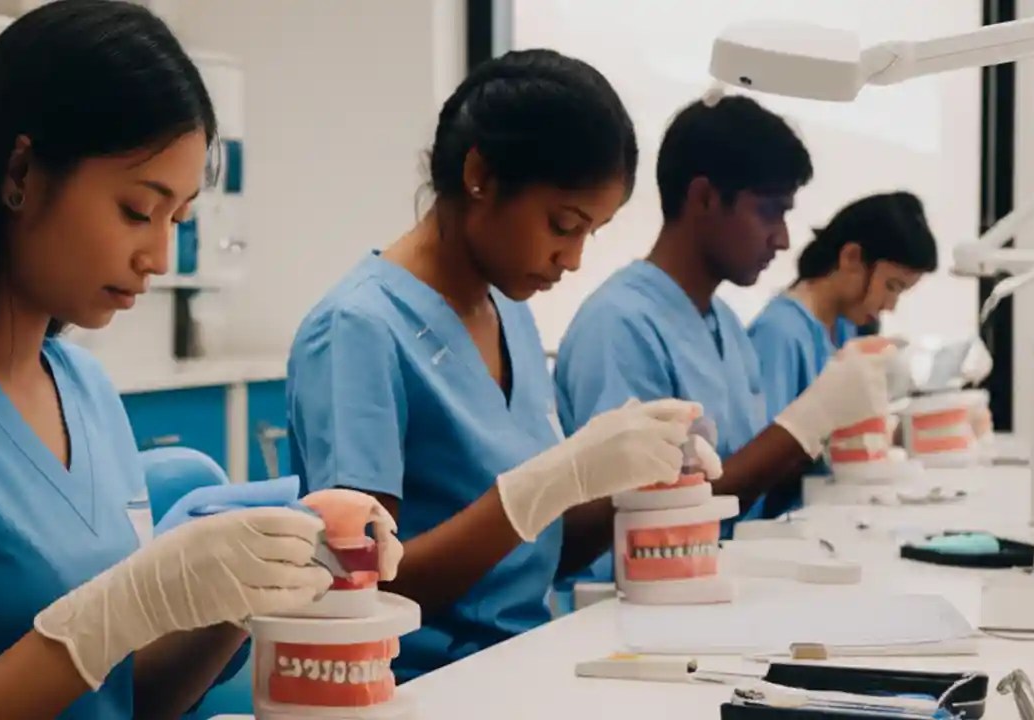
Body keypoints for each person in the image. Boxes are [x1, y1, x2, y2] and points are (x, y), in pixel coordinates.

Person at [0, 3, 332, 719]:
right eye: (137, 210)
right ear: (21, 173)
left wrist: (234, 592)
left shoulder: (86, 388)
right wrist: (106, 621)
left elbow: (130, 699)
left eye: (177, 220)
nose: (158, 257)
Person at [286, 49, 702, 681]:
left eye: (592, 232)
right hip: (417, 687)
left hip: (522, 664)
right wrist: (540, 490)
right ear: (479, 173)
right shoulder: (359, 329)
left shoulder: (509, 314)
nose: (573, 259)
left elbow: (532, 557)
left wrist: (638, 480)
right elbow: (358, 592)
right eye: (563, 224)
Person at [554, 95, 894, 585]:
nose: (781, 239)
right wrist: (807, 422)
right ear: (705, 198)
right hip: (633, 605)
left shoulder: (728, 326)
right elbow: (647, 511)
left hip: (719, 579)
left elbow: (740, 493)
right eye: (770, 212)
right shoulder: (620, 326)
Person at [748, 191, 938, 509]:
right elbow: (760, 466)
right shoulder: (780, 334)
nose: (890, 306)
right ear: (851, 258)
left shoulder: (846, 328)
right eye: (891, 286)